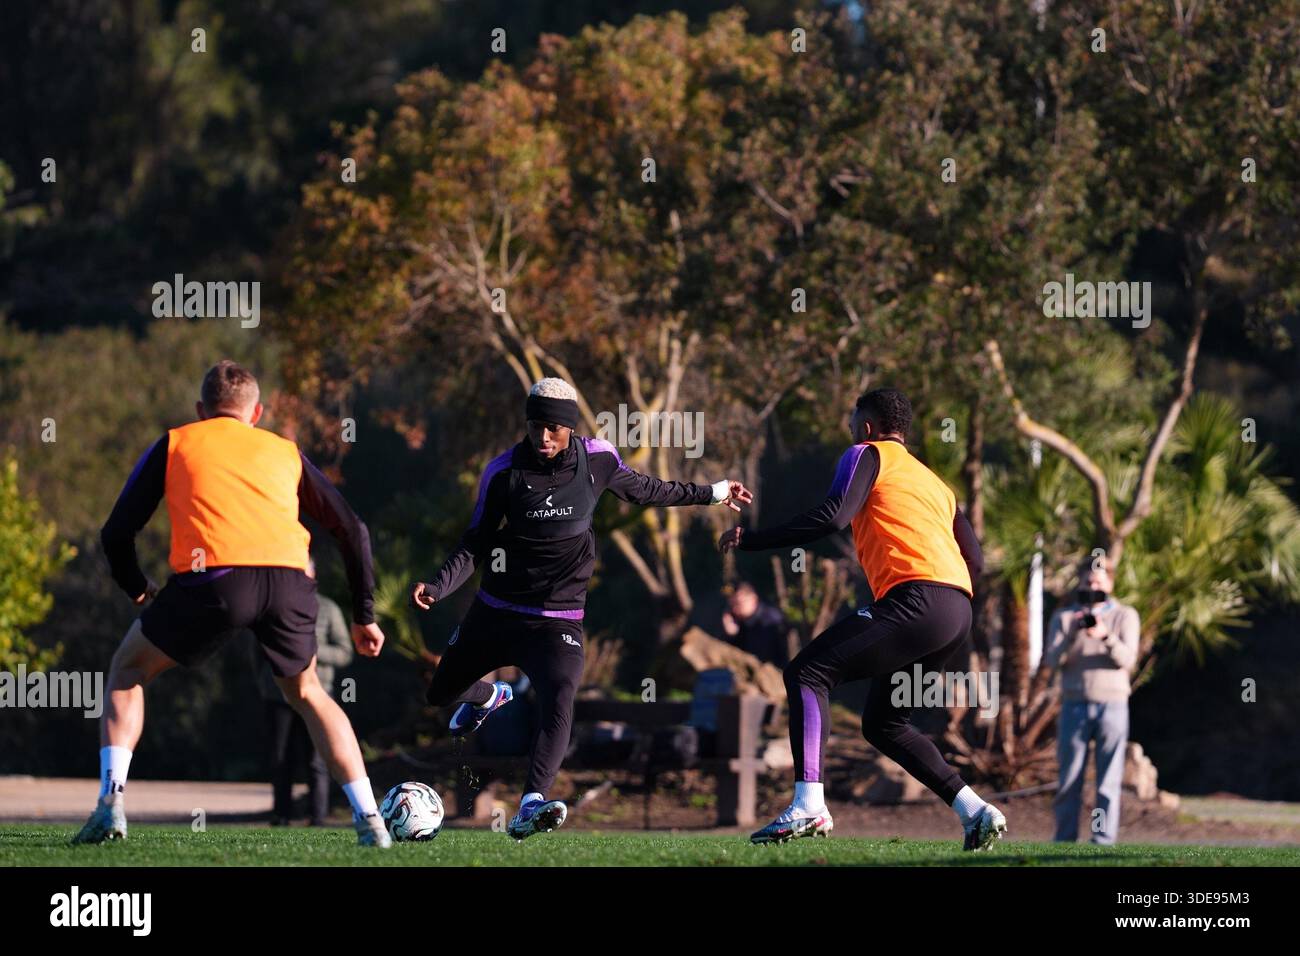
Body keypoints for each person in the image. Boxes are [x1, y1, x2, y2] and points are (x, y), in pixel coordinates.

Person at [411, 377, 752, 840]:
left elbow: (650, 490)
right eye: (535, 427)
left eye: (553, 428)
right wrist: (439, 585)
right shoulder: (504, 472)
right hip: (498, 609)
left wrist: (712, 493)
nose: (543, 438)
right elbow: (475, 541)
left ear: (570, 428)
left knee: (561, 694)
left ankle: (532, 801)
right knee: (440, 692)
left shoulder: (597, 460)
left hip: (559, 618)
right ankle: (491, 698)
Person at [77, 360, 391, 848]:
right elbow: (352, 529)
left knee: (127, 671)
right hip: (289, 581)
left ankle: (110, 804)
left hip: (215, 578)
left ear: (201, 411)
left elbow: (116, 532)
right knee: (308, 694)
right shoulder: (285, 450)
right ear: (257, 413)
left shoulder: (178, 441)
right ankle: (370, 819)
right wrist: (363, 615)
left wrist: (137, 587)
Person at [719, 387, 1005, 849]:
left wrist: (751, 539)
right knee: (885, 725)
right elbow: (975, 561)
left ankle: (810, 803)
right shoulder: (937, 484)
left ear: (867, 425)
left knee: (808, 673)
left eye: (853, 421)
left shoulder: (865, 454)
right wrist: (946, 597)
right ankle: (975, 810)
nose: (850, 429)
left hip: (918, 600)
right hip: (956, 611)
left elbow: (834, 516)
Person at [249, 557, 353, 826]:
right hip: (278, 694)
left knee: (316, 760)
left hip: (318, 695)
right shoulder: (271, 606)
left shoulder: (328, 609)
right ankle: (280, 816)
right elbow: (257, 651)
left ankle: (317, 818)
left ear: (313, 574)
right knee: (280, 758)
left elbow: (344, 652)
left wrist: (312, 652)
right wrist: (264, 682)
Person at [1043, 556, 1139, 845]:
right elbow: (1051, 661)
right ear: (1080, 583)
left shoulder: (1125, 616)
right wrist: (1072, 634)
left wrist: (1105, 635)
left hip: (1113, 705)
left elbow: (1128, 660)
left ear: (1110, 583)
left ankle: (1103, 839)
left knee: (1108, 779)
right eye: (1088, 582)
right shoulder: (1064, 618)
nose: (1093, 586)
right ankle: (1064, 840)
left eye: (1098, 582)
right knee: (1069, 778)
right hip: (1075, 704)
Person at [721, 581, 790, 667]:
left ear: (753, 599)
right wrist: (732, 635)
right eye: (732, 604)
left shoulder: (769, 621)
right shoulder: (742, 623)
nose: (734, 609)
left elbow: (757, 660)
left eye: (738, 603)